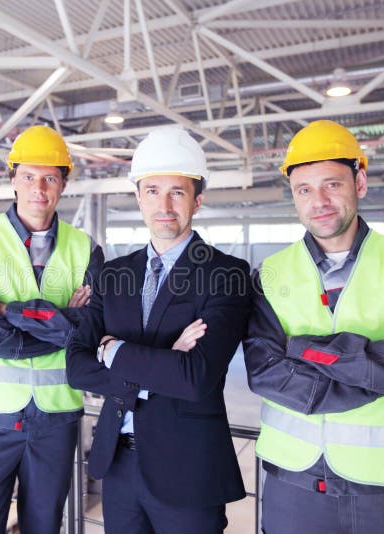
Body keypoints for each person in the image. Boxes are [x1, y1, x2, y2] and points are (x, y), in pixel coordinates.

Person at [244, 119, 384, 533]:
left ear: (359, 182)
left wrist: (299, 349)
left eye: (332, 185)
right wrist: (381, 361)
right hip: (293, 485)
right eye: (304, 190)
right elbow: (265, 373)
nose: (319, 201)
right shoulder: (268, 274)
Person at [66, 126, 249, 533]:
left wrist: (113, 351)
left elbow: (196, 377)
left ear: (197, 199)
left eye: (177, 192)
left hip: (188, 470)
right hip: (118, 466)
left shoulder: (226, 275)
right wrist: (165, 362)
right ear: (138, 196)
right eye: (152, 191)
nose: (164, 205)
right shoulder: (113, 274)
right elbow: (76, 367)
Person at [0, 125, 104, 534]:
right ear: (13, 179)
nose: (39, 188)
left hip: (55, 419)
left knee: (44, 527)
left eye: (50, 178)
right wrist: (59, 324)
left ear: (63, 184)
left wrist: (7, 310)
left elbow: (90, 331)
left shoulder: (86, 248)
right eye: (29, 176)